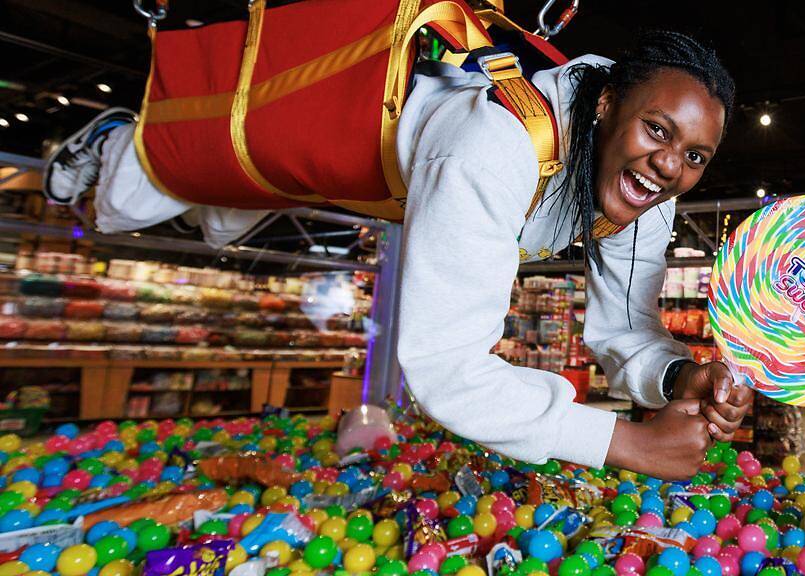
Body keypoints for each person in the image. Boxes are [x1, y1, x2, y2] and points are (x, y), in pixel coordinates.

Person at [44, 30, 751, 480]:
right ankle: (112, 139)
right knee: (157, 186)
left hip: (382, 186)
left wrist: (680, 375)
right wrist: (622, 443)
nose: (668, 167)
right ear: (605, 107)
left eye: (694, 156)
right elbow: (445, 371)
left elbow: (625, 328)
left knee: (221, 218)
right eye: (657, 130)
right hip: (331, 131)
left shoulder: (641, 195)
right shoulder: (496, 147)